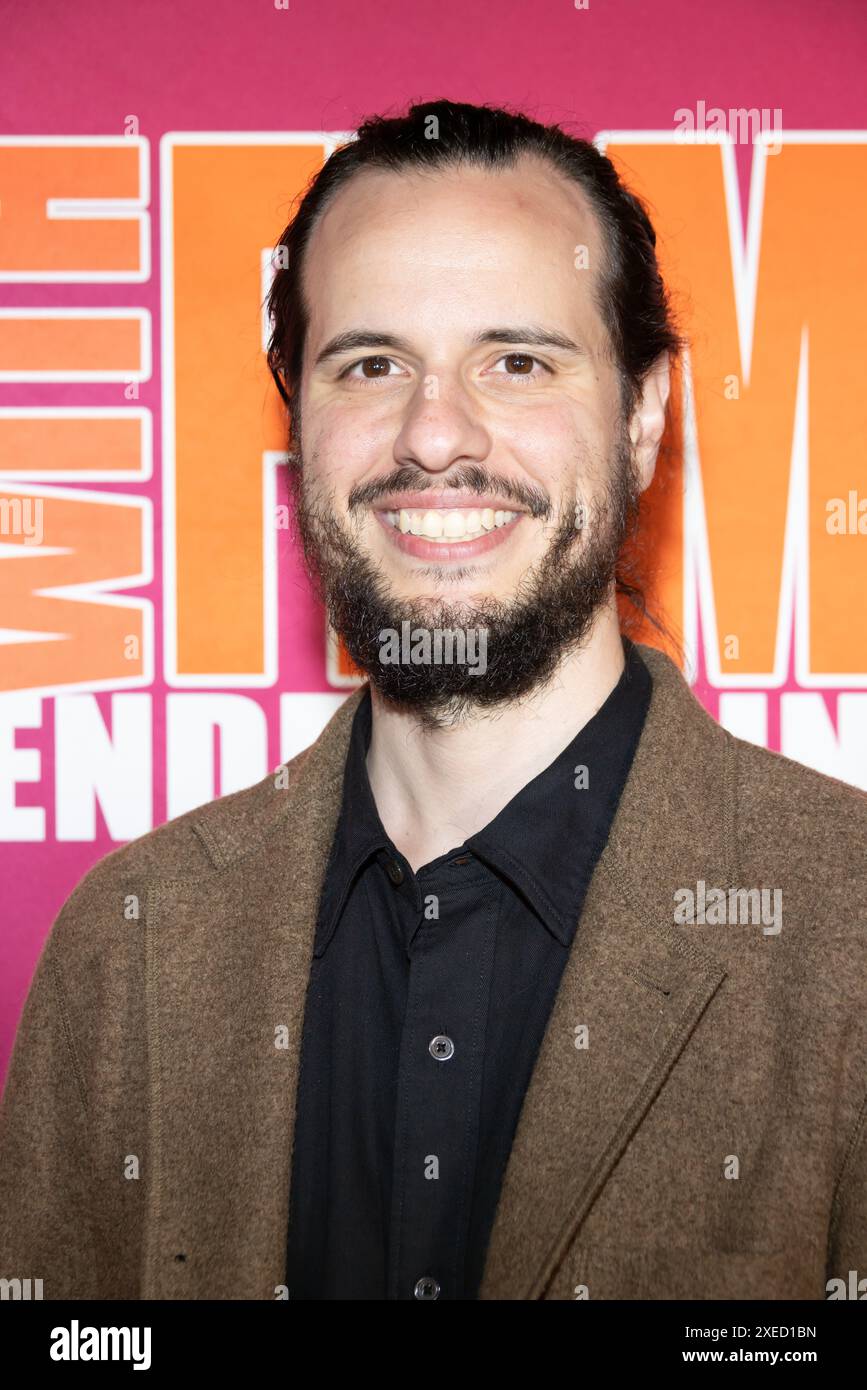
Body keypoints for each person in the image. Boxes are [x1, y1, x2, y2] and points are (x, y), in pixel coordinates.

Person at [1, 100, 865, 1301]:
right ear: (296, 415)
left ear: (646, 413)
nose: (434, 434)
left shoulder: (848, 928)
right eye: (371, 364)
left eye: (516, 360)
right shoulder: (127, 944)